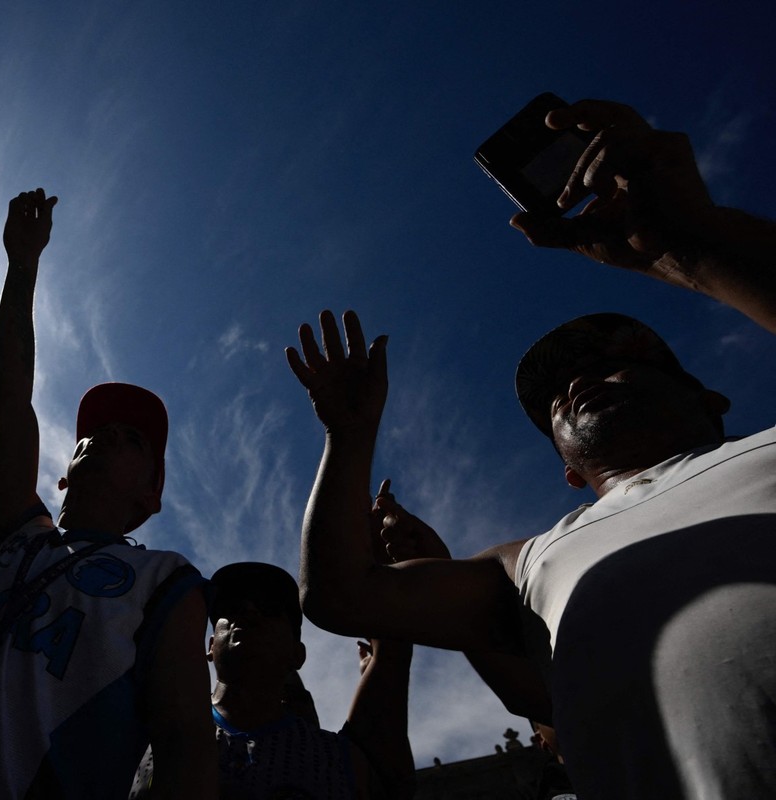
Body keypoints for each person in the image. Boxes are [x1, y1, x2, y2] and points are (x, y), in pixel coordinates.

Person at [286, 99, 776, 798]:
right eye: (557, 397)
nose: (580, 380)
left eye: (618, 361)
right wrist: (349, 436)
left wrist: (692, 244)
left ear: (711, 401)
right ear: (569, 472)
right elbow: (343, 595)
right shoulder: (528, 562)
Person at [0, 189, 216, 798]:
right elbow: (10, 398)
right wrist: (22, 269)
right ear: (63, 475)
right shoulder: (19, 535)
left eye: (132, 440)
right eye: (94, 433)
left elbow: (185, 742)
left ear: (151, 496)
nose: (107, 436)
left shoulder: (164, 579)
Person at [131, 562, 414, 799]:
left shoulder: (340, 759)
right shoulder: (145, 731)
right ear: (210, 646)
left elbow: (392, 657)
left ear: (297, 654)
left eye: (270, 609)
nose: (249, 612)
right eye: (232, 607)